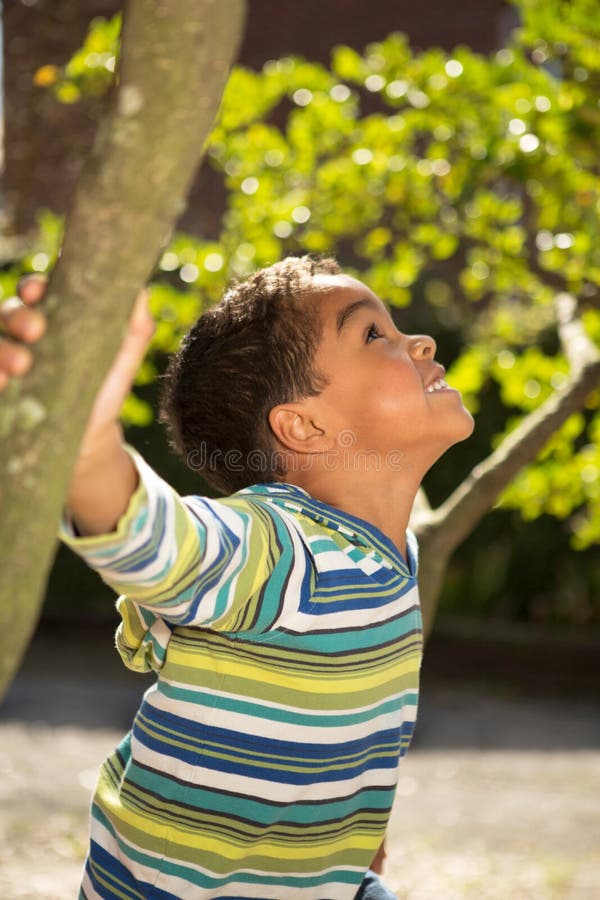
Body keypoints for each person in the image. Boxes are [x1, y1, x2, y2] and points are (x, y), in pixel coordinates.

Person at [0, 257, 474, 899]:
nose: (421, 342)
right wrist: (86, 444)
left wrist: (357, 839)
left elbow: (346, 732)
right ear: (303, 426)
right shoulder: (284, 548)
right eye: (372, 334)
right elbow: (169, 547)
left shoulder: (392, 557)